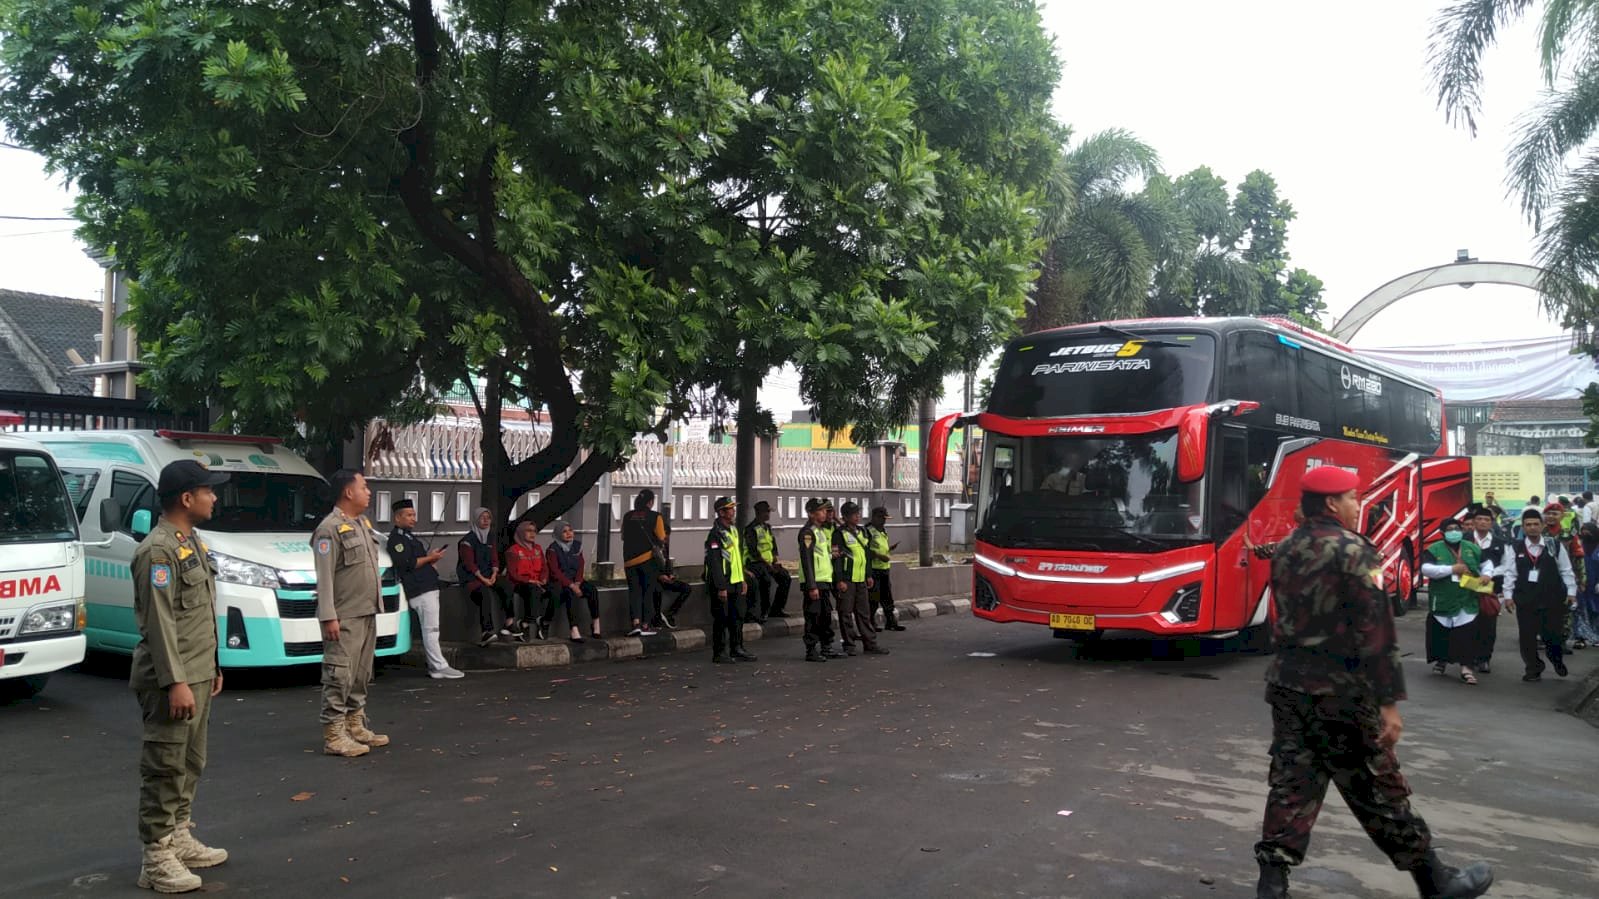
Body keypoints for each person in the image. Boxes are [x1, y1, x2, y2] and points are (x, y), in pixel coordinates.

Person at [1253, 465, 1492, 899]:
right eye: (1353, 498)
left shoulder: (1287, 548)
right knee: (1379, 786)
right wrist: (1388, 701)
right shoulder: (1355, 550)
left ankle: (1272, 884)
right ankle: (1434, 880)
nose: (1357, 504)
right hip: (1342, 693)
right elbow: (1376, 630)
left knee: (1292, 782)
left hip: (1289, 689)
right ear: (1332, 503)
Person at [131, 460, 231, 893]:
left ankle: (178, 836)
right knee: (165, 766)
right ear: (187, 498)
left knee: (190, 762)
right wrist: (175, 682)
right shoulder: (158, 551)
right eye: (209, 491)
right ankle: (155, 857)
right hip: (172, 678)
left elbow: (201, 613)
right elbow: (159, 623)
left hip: (197, 672)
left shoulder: (192, 543)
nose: (215, 498)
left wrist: (212, 667)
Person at [313, 469, 390, 758]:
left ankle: (354, 724)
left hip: (366, 611)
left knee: (360, 673)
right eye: (364, 487)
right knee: (339, 673)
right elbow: (325, 577)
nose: (368, 492)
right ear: (348, 492)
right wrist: (328, 616)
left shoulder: (361, 524)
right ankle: (334, 734)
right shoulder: (328, 529)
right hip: (344, 614)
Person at [387, 499, 463, 679]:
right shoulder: (397, 539)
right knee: (431, 630)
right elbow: (407, 563)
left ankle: (437, 665)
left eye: (414, 515)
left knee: (432, 629)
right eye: (409, 515)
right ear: (398, 517)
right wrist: (430, 559)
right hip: (420, 589)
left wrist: (431, 559)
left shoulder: (409, 537)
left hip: (428, 585)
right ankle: (438, 665)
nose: (413, 518)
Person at [1501, 507, 1577, 682]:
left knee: (1553, 636)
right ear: (1523, 527)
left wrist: (1571, 592)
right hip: (1526, 600)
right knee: (1527, 637)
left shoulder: (1554, 545)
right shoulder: (1515, 547)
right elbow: (1510, 573)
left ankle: (1556, 660)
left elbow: (1566, 570)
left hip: (1552, 599)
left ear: (1542, 526)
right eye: (1528, 525)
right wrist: (1508, 596)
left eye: (1536, 524)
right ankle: (1533, 668)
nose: (1532, 528)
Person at [1420, 519, 1487, 685]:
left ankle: (1466, 668)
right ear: (1442, 533)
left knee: (1467, 634)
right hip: (1443, 598)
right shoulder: (1434, 549)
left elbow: (1487, 563)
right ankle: (1441, 661)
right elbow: (1425, 568)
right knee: (1442, 632)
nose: (1454, 531)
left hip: (1467, 597)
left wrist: (1487, 574)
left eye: (1456, 528)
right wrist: (1450, 569)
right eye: (1449, 529)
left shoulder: (1472, 547)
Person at [704, 496, 757, 664]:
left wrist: (742, 579)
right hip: (722, 583)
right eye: (730, 509)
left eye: (733, 508)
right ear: (721, 513)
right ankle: (719, 652)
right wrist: (721, 587)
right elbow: (714, 562)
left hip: (735, 581)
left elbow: (736, 557)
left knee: (737, 617)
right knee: (721, 618)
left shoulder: (733, 530)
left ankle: (737, 648)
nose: (733, 511)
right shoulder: (715, 534)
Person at [832, 502, 890, 656]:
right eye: (853, 514)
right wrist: (839, 580)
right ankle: (849, 645)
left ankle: (870, 644)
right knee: (845, 614)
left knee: (864, 613)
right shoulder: (839, 534)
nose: (857, 516)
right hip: (847, 579)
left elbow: (866, 555)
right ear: (845, 517)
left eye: (858, 513)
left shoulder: (862, 532)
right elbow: (836, 559)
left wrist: (868, 575)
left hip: (861, 579)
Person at [458, 507, 516, 646]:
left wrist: (494, 574)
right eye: (482, 517)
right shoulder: (467, 540)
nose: (485, 520)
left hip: (489, 575)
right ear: (476, 520)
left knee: (507, 585)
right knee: (484, 593)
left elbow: (494, 558)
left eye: (488, 517)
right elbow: (469, 564)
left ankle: (510, 622)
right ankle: (486, 631)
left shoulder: (490, 537)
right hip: (472, 578)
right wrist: (483, 579)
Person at [797, 498, 839, 662]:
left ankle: (826, 646)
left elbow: (820, 555)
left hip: (824, 579)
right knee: (813, 616)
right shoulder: (807, 532)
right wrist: (811, 585)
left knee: (825, 615)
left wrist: (831, 556)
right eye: (821, 511)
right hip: (814, 582)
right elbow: (807, 559)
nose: (825, 513)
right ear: (811, 513)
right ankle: (811, 649)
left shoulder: (820, 531)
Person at [1467, 506, 1508, 674]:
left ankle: (1485, 658)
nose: (1483, 522)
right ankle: (1469, 658)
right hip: (1467, 587)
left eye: (1487, 520)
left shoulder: (1500, 542)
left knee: (1488, 625)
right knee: (1468, 624)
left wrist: (1489, 574)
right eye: (1479, 519)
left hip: (1491, 589)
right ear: (1473, 522)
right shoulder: (1465, 540)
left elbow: (1507, 565)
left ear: (1492, 523)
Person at [546, 521, 601, 642]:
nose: (568, 534)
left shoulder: (577, 546)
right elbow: (555, 571)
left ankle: (595, 623)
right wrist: (571, 585)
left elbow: (581, 565)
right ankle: (573, 629)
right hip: (561, 582)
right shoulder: (553, 549)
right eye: (564, 531)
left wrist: (577, 582)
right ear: (558, 534)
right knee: (569, 594)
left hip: (576, 580)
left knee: (592, 590)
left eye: (570, 530)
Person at [621, 489, 665, 637]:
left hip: (629, 561)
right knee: (647, 592)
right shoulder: (655, 516)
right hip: (647, 559)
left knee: (634, 592)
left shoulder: (627, 516)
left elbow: (623, 536)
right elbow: (661, 537)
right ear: (650, 502)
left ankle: (635, 624)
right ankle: (646, 625)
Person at [744, 500, 792, 620]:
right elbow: (753, 551)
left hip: (769, 563)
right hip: (756, 563)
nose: (769, 514)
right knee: (765, 580)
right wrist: (768, 565)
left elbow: (773, 546)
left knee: (785, 577)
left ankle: (777, 609)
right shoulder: (751, 529)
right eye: (767, 512)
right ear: (760, 513)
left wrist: (775, 562)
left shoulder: (767, 527)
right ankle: (763, 611)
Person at [505, 521, 549, 641]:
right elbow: (513, 574)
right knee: (533, 590)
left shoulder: (537, 548)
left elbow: (544, 567)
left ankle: (545, 621)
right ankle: (525, 624)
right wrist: (530, 580)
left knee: (556, 590)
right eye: (528, 531)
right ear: (520, 533)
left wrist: (543, 579)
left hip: (538, 581)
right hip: (520, 583)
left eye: (534, 531)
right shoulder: (513, 550)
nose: (532, 534)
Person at [864, 506, 903, 631]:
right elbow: (864, 550)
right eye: (882, 518)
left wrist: (889, 549)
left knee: (887, 597)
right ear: (875, 517)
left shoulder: (882, 530)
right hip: (874, 569)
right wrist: (878, 556)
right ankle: (871, 623)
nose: (884, 521)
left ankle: (890, 622)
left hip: (885, 568)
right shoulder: (867, 531)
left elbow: (881, 547)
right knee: (873, 599)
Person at [1576, 523, 1599, 650]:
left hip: (1596, 586)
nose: (1585, 533)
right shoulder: (1578, 546)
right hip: (1582, 585)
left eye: (1588, 531)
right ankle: (1580, 638)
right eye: (1583, 531)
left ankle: (1597, 636)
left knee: (1596, 612)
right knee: (1580, 611)